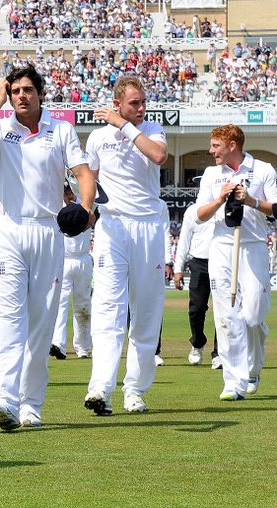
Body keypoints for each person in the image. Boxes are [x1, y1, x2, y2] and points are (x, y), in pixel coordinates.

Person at [0, 64, 96, 430]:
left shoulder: (61, 129)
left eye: (28, 90)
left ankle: (30, 405)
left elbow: (84, 173)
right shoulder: (1, 126)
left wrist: (85, 209)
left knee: (40, 322)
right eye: (15, 90)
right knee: (7, 317)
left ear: (40, 94)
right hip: (7, 230)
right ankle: (2, 400)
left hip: (47, 231)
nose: (21, 96)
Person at [84, 76, 169, 416]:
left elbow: (159, 155)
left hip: (148, 225)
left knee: (146, 313)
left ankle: (134, 389)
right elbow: (89, 178)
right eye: (135, 103)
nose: (142, 107)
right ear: (118, 102)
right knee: (107, 307)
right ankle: (100, 388)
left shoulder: (152, 129)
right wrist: (86, 211)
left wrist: (124, 124)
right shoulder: (97, 138)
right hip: (112, 226)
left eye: (143, 101)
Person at [196, 124, 277, 401]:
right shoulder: (211, 174)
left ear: (232, 145)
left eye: (216, 146)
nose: (211, 151)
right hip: (222, 247)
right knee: (226, 316)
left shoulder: (263, 169)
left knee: (254, 316)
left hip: (253, 246)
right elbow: (200, 214)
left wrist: (250, 200)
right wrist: (220, 199)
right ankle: (233, 381)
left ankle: (253, 369)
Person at [173, 203, 219, 368]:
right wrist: (178, 269)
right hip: (199, 261)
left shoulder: (226, 206)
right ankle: (197, 343)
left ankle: (219, 353)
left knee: (224, 309)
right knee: (196, 308)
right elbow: (184, 240)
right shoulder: (193, 210)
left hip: (223, 261)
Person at [50, 183, 93, 360]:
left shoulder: (85, 205)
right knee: (60, 303)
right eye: (65, 192)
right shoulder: (56, 208)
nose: (69, 196)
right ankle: (58, 343)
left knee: (83, 305)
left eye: (70, 192)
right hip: (64, 259)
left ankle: (83, 347)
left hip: (83, 258)